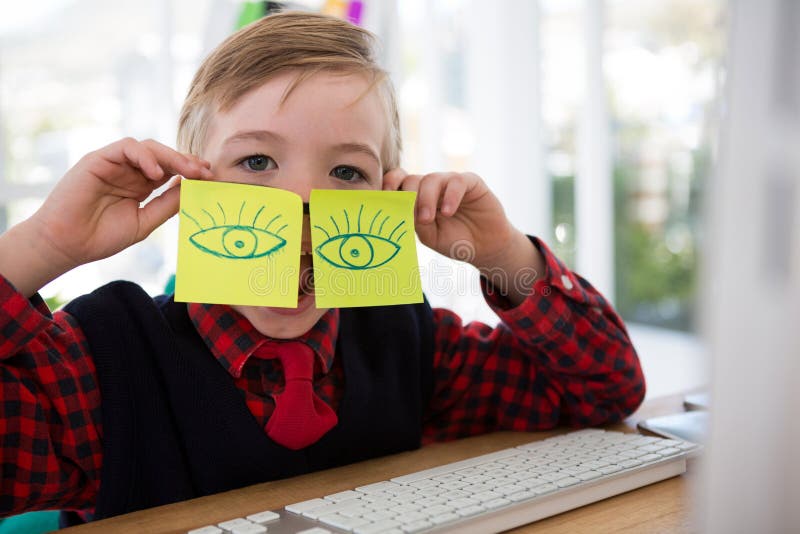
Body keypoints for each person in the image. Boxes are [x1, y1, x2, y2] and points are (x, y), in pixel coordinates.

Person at [0, 10, 645, 526]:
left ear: (388, 196)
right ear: (189, 182)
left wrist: (503, 254)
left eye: (346, 171)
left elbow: (605, 392)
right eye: (257, 162)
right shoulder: (102, 360)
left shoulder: (406, 339)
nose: (302, 201)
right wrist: (42, 246)